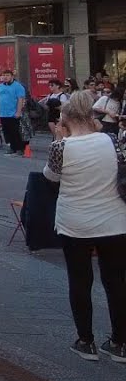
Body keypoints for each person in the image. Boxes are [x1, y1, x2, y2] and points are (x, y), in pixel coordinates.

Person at [43, 89, 126, 362]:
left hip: (74, 221)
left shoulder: (61, 147)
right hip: (113, 219)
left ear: (65, 119)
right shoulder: (110, 140)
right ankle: (119, 342)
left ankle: (85, 340)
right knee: (115, 281)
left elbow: (51, 177)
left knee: (80, 281)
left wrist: (58, 139)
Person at [0, 69, 28, 156]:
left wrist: (18, 112)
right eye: (4, 75)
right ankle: (12, 148)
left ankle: (19, 149)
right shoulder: (0, 87)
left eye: (7, 75)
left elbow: (20, 100)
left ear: (12, 76)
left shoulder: (18, 86)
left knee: (15, 132)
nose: (5, 77)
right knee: (7, 132)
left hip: (13, 113)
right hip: (3, 113)